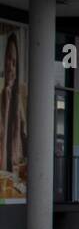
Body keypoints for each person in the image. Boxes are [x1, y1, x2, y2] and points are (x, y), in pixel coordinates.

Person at [0, 30, 29, 188]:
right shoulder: (2, 96)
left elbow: (25, 135)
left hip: (16, 176)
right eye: (8, 60)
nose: (10, 67)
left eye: (14, 62)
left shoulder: (21, 97)